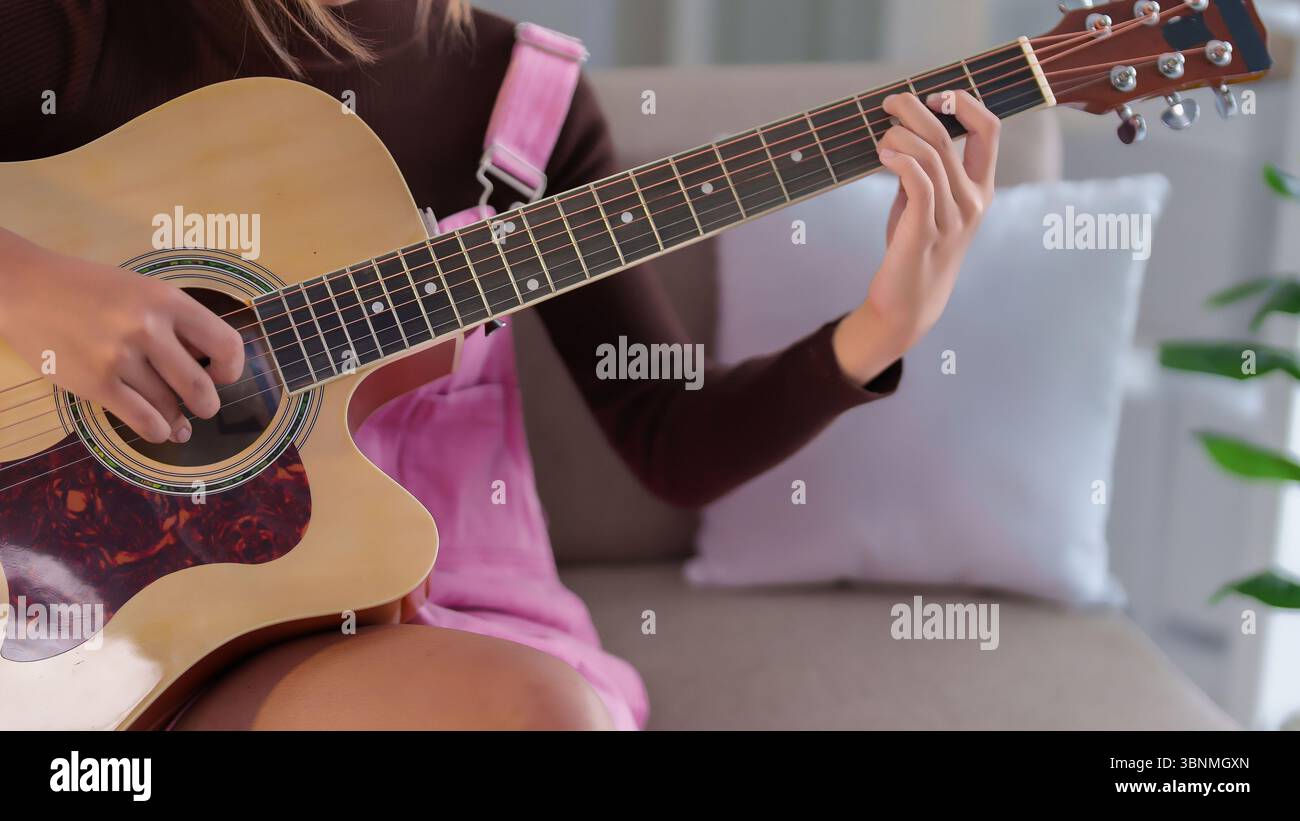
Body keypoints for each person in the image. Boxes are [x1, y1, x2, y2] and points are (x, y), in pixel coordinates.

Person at [0, 0, 1001, 729]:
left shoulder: (517, 94)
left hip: (385, 632)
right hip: (84, 631)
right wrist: (30, 283)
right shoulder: (69, 31)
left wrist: (883, 322)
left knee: (540, 716)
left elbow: (670, 442)